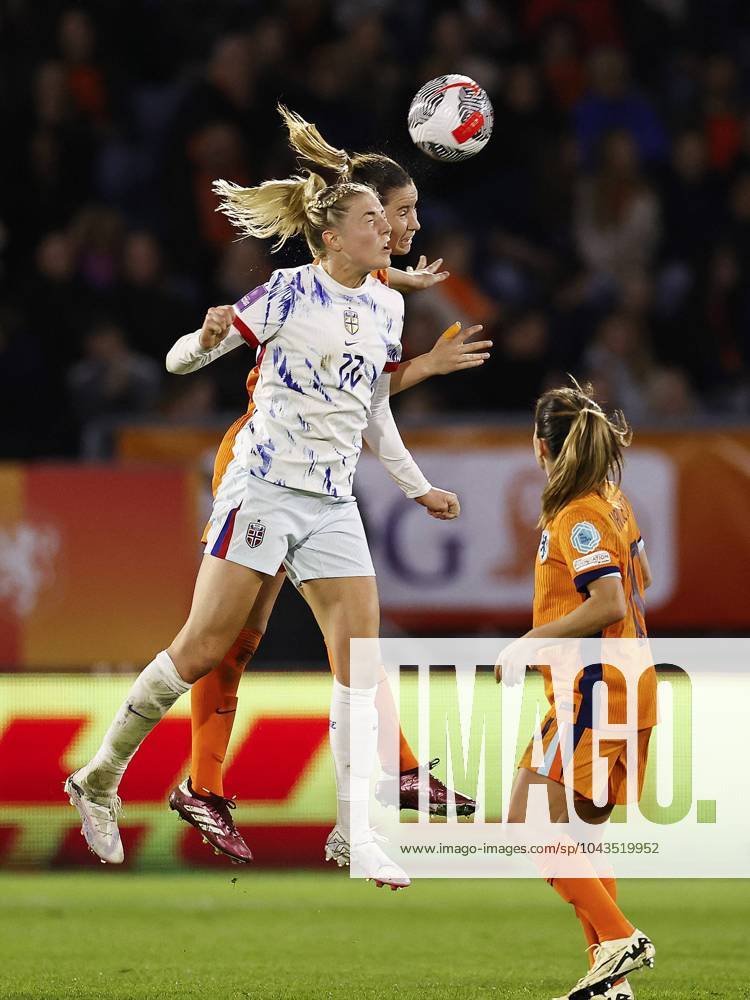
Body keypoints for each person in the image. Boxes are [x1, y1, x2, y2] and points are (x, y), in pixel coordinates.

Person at [65, 123, 464, 890]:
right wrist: (205, 332)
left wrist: (417, 488)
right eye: (375, 221)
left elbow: (373, 411)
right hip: (264, 489)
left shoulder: (387, 310)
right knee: (202, 648)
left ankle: (356, 832)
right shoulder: (285, 293)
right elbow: (184, 359)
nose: (392, 231)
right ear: (333, 235)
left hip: (331, 500)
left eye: (392, 219)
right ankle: (99, 777)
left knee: (358, 661)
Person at [167, 108, 489, 863]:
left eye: (408, 212)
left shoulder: (378, 287)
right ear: (359, 217)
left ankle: (396, 771)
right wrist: (422, 368)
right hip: (260, 464)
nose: (410, 224)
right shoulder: (342, 279)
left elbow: (359, 398)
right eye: (397, 211)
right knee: (234, 639)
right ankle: (205, 783)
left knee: (350, 633)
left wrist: (417, 360)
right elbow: (349, 392)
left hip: (314, 471)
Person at [495, 380, 656, 998]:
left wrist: (531, 641)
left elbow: (609, 598)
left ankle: (617, 939)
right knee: (581, 835)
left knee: (524, 819)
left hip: (593, 689)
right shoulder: (610, 500)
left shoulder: (576, 515)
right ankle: (610, 982)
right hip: (630, 683)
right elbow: (641, 572)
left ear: (541, 446)